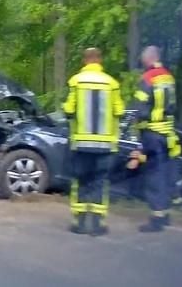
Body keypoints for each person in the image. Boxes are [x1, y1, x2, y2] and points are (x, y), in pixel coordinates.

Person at [62, 48, 124, 236]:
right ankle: (97, 225)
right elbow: (120, 111)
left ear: (85, 60)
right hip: (105, 145)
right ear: (100, 60)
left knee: (81, 182)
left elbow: (68, 110)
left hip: (81, 143)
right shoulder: (111, 83)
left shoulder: (76, 81)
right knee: (99, 182)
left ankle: (80, 224)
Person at [129, 45, 181, 232]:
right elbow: (172, 106)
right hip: (168, 134)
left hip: (152, 134)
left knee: (154, 176)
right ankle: (165, 215)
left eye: (143, 58)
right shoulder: (168, 77)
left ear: (149, 58)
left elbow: (139, 108)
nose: (142, 61)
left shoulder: (147, 78)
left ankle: (156, 218)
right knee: (165, 174)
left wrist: (136, 125)